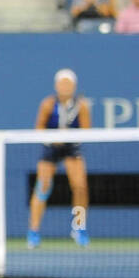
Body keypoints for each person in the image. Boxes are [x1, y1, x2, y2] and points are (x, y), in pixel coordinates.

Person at [28, 69, 91, 249]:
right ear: (56, 86)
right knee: (43, 186)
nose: (65, 87)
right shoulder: (48, 104)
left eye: (69, 84)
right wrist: (54, 138)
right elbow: (38, 129)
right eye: (62, 83)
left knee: (80, 187)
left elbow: (88, 132)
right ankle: (33, 231)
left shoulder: (82, 106)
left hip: (72, 148)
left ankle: (79, 228)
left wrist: (70, 137)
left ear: (74, 86)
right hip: (50, 148)